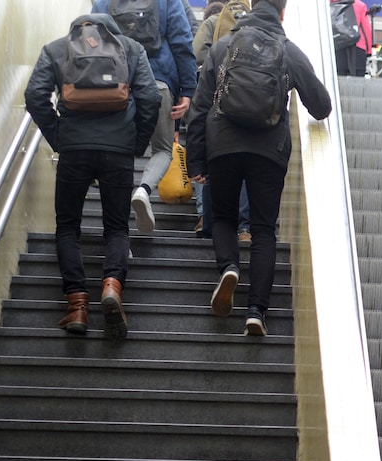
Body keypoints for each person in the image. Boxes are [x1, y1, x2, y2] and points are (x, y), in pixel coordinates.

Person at [186, 0, 331, 335]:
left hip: (222, 145)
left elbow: (200, 104)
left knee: (223, 217)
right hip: (269, 151)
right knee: (264, 229)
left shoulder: (224, 46)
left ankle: (229, 267)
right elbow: (321, 106)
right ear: (282, 13)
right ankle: (256, 313)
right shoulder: (287, 50)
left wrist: (196, 158)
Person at [24, 14, 160, 339]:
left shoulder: (56, 49)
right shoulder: (131, 49)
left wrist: (59, 137)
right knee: (116, 227)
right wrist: (136, 143)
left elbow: (34, 96)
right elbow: (151, 98)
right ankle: (112, 287)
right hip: (118, 150)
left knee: (68, 227)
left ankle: (77, 305)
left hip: (74, 148)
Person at [92, 0, 197, 234]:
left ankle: (118, 234)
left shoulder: (104, 2)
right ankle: (144, 190)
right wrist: (188, 90)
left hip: (115, 85)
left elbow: (90, 40)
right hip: (158, 82)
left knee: (119, 155)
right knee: (162, 149)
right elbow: (182, 41)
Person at [191, 0, 251, 241]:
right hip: (252, 111)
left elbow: (197, 55)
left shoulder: (212, 23)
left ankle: (209, 221)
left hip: (218, 109)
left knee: (213, 168)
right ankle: (245, 227)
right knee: (247, 171)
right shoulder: (258, 28)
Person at [331, 0, 371, 77]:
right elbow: (366, 30)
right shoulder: (359, 5)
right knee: (358, 79)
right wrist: (369, 50)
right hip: (358, 47)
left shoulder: (328, 4)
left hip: (336, 46)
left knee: (338, 78)